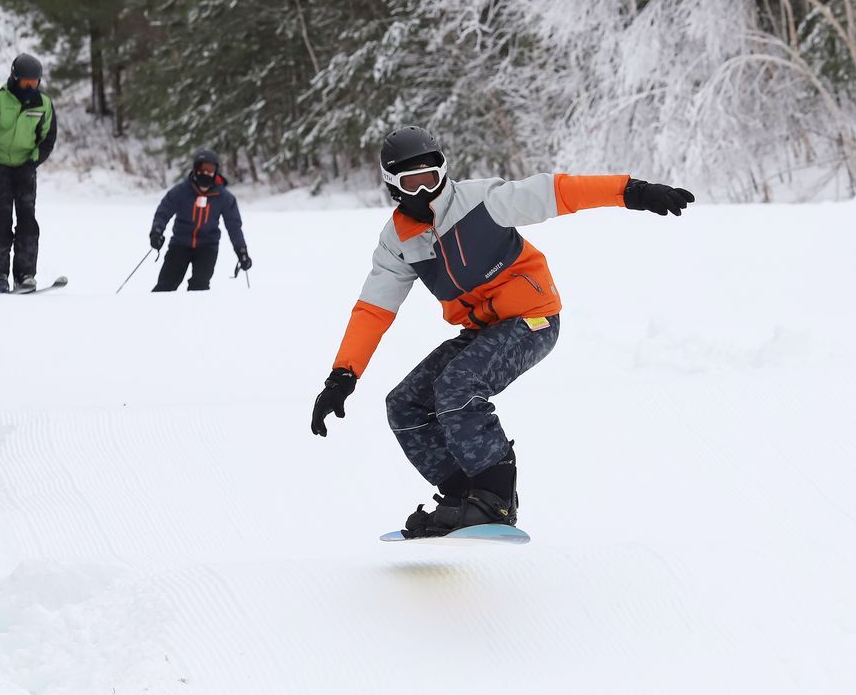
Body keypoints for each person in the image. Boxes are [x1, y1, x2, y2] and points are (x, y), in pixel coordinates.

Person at [310, 126, 694, 538]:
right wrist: (343, 375)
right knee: (404, 404)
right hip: (482, 328)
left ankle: (495, 499)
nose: (426, 189)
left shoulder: (482, 202)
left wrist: (631, 191)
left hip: (533, 317)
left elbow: (556, 192)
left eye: (433, 175)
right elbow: (373, 308)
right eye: (412, 181)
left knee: (459, 386)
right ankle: (462, 497)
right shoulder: (397, 243)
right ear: (393, 186)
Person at [0, 53, 57, 294]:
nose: (30, 88)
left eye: (35, 83)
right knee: (2, 219)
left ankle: (25, 274)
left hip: (25, 168)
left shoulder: (44, 105)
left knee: (28, 220)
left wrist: (33, 161)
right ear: (14, 78)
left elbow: (48, 138)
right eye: (26, 83)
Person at [149, 149, 252, 291]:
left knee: (199, 287)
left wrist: (242, 251)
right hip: (180, 244)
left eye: (210, 169)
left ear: (216, 171)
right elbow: (164, 211)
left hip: (207, 247)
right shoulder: (182, 191)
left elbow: (234, 226)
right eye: (202, 169)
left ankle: (195, 312)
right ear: (196, 169)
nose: (206, 173)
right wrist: (157, 231)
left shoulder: (223, 197)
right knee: (166, 286)